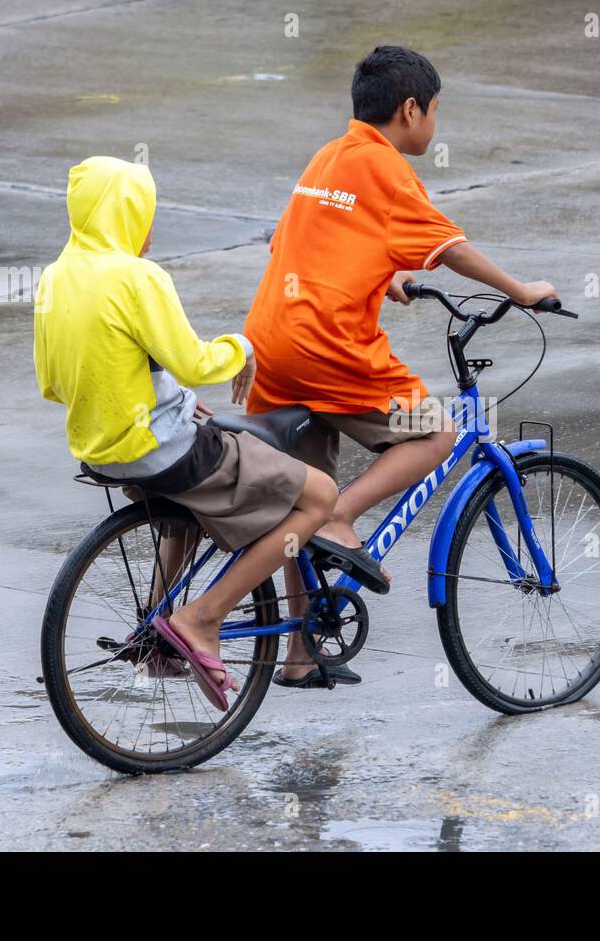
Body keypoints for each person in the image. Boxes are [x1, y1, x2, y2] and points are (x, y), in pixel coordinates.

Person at [243, 46, 557, 688]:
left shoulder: (328, 157)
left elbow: (294, 239)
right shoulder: (386, 169)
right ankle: (343, 516)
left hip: (270, 346)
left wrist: (381, 278)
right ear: (410, 109)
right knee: (438, 432)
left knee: (298, 497)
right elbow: (450, 249)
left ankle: (300, 657)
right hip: (327, 348)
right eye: (435, 111)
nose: (434, 124)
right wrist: (521, 290)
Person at [34, 155, 337, 710]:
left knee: (188, 508)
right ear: (125, 214)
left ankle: (158, 631)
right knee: (320, 495)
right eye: (144, 212)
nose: (149, 228)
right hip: (161, 451)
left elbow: (55, 383)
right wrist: (242, 348)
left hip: (102, 451)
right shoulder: (137, 277)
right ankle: (202, 618)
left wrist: (156, 392)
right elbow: (199, 363)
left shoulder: (57, 277)